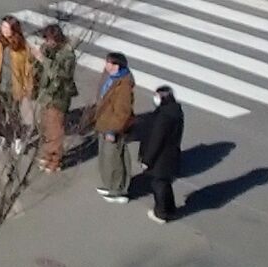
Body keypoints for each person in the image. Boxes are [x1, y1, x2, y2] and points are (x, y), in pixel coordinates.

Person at [89, 51, 141, 200]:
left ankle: (118, 190)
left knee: (115, 159)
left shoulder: (123, 86)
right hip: (104, 123)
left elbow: (122, 112)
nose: (106, 65)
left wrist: (113, 130)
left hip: (112, 128)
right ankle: (110, 185)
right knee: (106, 158)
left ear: (118, 66)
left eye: (110, 63)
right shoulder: (111, 77)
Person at [31, 21, 82, 171]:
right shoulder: (48, 49)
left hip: (59, 95)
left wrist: (43, 59)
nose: (47, 43)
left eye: (49, 40)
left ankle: (54, 160)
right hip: (46, 93)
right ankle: (47, 154)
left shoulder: (68, 55)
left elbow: (61, 75)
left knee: (55, 128)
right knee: (45, 125)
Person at [135, 83, 190, 221]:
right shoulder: (175, 111)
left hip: (161, 158)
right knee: (165, 183)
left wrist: (147, 160)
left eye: (157, 96)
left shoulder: (163, 116)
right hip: (171, 154)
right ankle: (170, 209)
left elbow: (156, 140)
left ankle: (162, 213)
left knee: (159, 184)